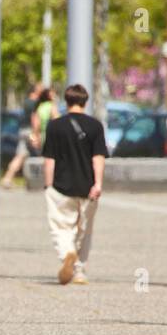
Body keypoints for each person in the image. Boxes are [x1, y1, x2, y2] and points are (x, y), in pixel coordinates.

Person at [42, 84, 107, 286]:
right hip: (87, 187)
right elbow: (98, 158)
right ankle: (79, 271)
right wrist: (97, 183)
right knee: (85, 230)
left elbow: (49, 160)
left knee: (60, 226)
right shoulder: (95, 126)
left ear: (66, 101)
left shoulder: (54, 126)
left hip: (61, 186)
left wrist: (48, 185)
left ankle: (67, 253)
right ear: (85, 102)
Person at [0, 82, 45, 189]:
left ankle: (7, 178)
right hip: (31, 131)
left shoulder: (26, 101)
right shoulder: (36, 103)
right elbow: (35, 119)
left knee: (20, 155)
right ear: (36, 90)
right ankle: (42, 181)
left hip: (23, 131)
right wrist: (36, 134)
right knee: (42, 154)